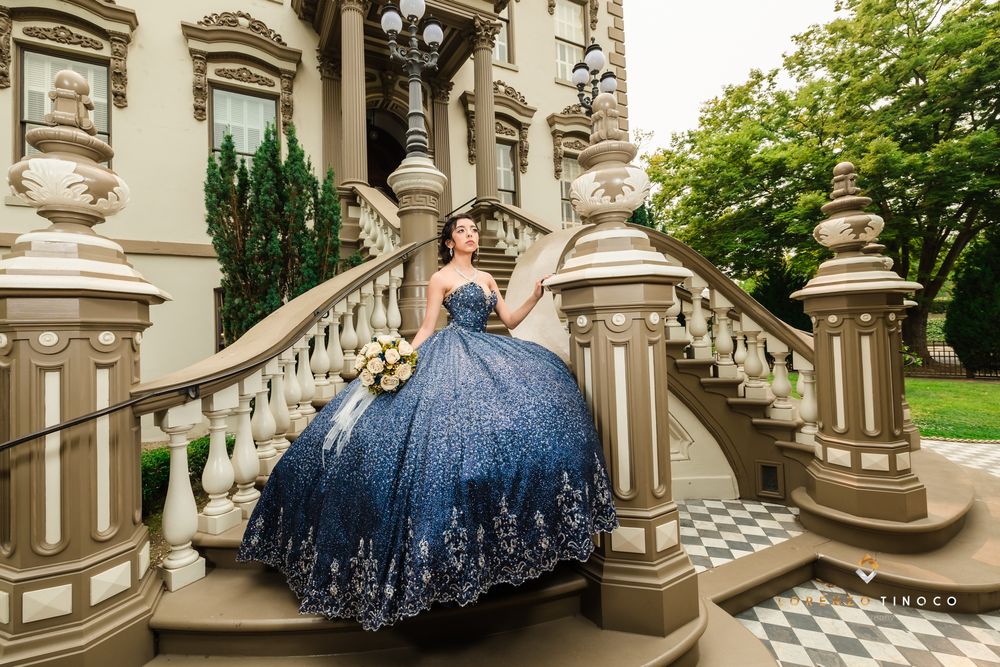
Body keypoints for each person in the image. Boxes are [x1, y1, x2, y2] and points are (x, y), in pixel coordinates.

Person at [238, 215, 617, 631]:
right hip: (450, 352)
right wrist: (400, 360)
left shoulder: (490, 278)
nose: (471, 235)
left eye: (473, 231)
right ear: (449, 241)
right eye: (462, 231)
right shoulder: (440, 278)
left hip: (488, 350)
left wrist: (536, 293)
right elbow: (426, 328)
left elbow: (509, 323)